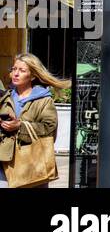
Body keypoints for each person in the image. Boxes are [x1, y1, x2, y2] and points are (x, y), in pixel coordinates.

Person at [0, 53, 69, 188]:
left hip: (32, 164)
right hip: (4, 160)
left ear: (32, 76)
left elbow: (49, 128)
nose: (16, 73)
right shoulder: (5, 98)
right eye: (14, 69)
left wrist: (20, 126)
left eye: (22, 70)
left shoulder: (43, 100)